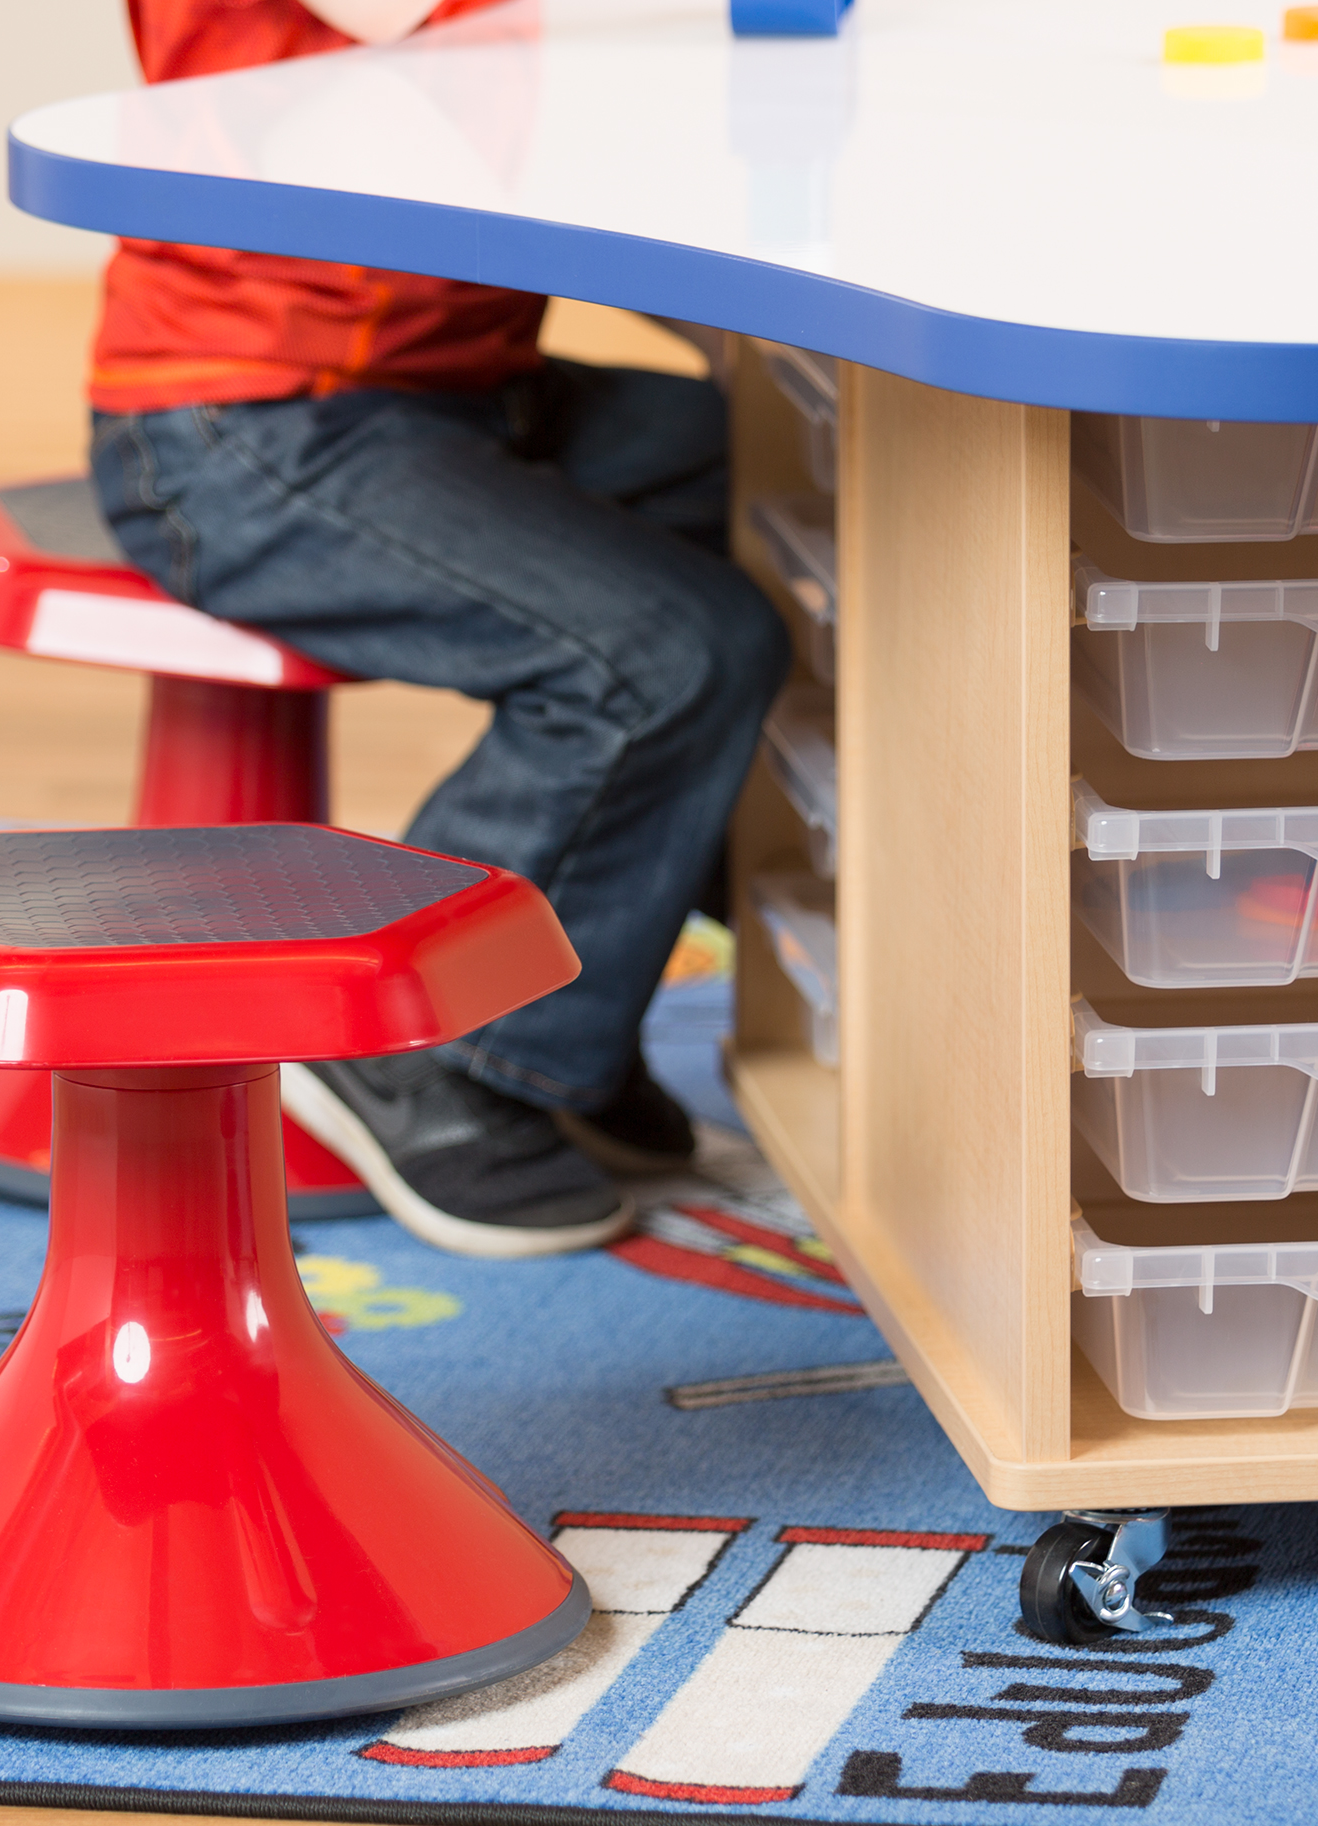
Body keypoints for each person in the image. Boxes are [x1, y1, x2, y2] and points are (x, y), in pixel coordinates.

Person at [90, 0, 790, 1260]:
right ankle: (415, 1041)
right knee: (669, 651)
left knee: (807, 487)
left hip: (459, 393)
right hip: (247, 422)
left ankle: (570, 1010)